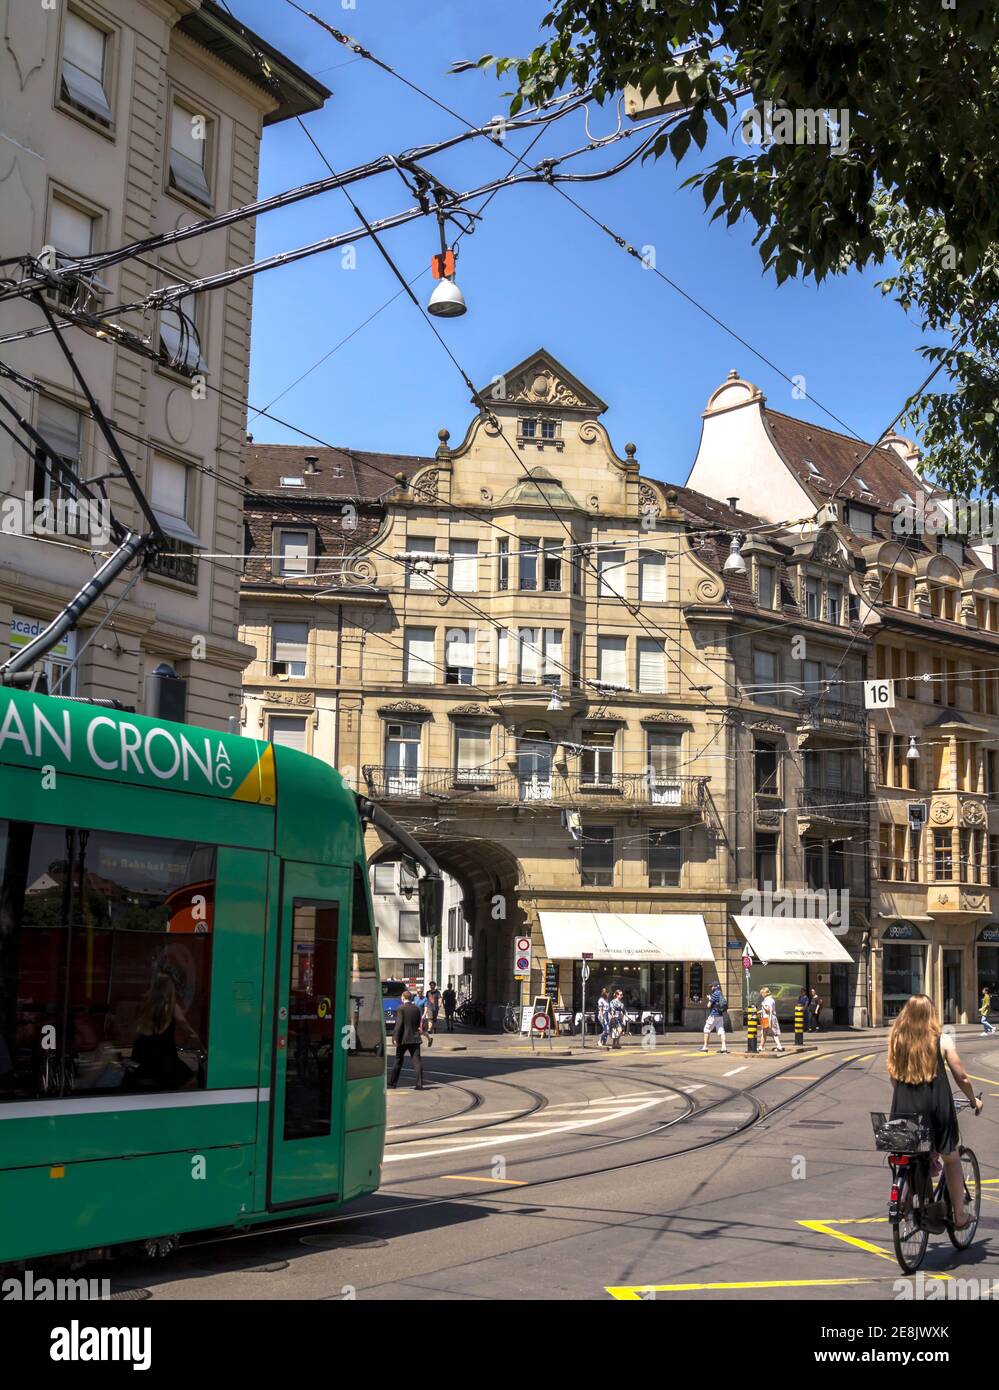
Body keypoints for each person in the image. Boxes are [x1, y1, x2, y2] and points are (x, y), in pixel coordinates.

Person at [887, 995, 983, 1229]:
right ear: (931, 1014)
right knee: (951, 1159)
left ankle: (904, 1200)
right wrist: (973, 1100)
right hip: (936, 1109)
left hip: (903, 1108)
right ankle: (959, 1216)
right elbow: (961, 1075)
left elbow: (892, 1076)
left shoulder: (897, 1039)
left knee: (913, 1153)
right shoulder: (942, 1040)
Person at [129, 972, 200, 1089]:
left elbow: (134, 1031)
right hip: (163, 1060)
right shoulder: (171, 1007)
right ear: (169, 989)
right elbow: (186, 1027)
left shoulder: (145, 1004)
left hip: (141, 1057)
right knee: (191, 1081)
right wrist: (200, 1044)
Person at [387, 990, 424, 1090]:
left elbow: (399, 1024)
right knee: (417, 1061)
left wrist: (395, 1037)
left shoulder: (401, 1008)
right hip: (415, 1038)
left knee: (398, 1060)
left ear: (403, 998)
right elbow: (418, 1024)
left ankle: (392, 1083)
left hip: (403, 1039)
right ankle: (419, 1084)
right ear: (411, 998)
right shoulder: (416, 1009)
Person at [701, 980, 729, 1054]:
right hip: (720, 1015)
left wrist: (709, 998)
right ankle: (724, 1047)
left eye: (712, 986)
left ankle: (705, 1047)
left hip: (713, 1015)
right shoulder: (720, 993)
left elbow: (708, 1005)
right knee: (721, 1030)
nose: (711, 988)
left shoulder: (715, 994)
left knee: (706, 1029)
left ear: (716, 986)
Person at [758, 986, 784, 1053]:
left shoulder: (768, 1000)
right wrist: (759, 1011)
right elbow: (767, 1009)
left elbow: (768, 1009)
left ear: (765, 993)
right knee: (769, 1033)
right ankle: (778, 1046)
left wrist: (762, 1005)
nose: (761, 995)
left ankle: (761, 1047)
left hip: (768, 1018)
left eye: (762, 993)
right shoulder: (769, 999)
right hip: (768, 1017)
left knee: (766, 1033)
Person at [422, 980, 441, 1048]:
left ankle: (434, 1028)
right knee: (430, 1018)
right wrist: (425, 1006)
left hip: (435, 1007)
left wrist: (439, 1004)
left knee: (434, 1019)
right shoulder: (428, 992)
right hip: (429, 1006)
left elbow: (439, 998)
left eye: (433, 985)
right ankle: (430, 1029)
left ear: (434, 986)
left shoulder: (437, 992)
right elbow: (426, 999)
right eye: (431, 985)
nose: (432, 986)